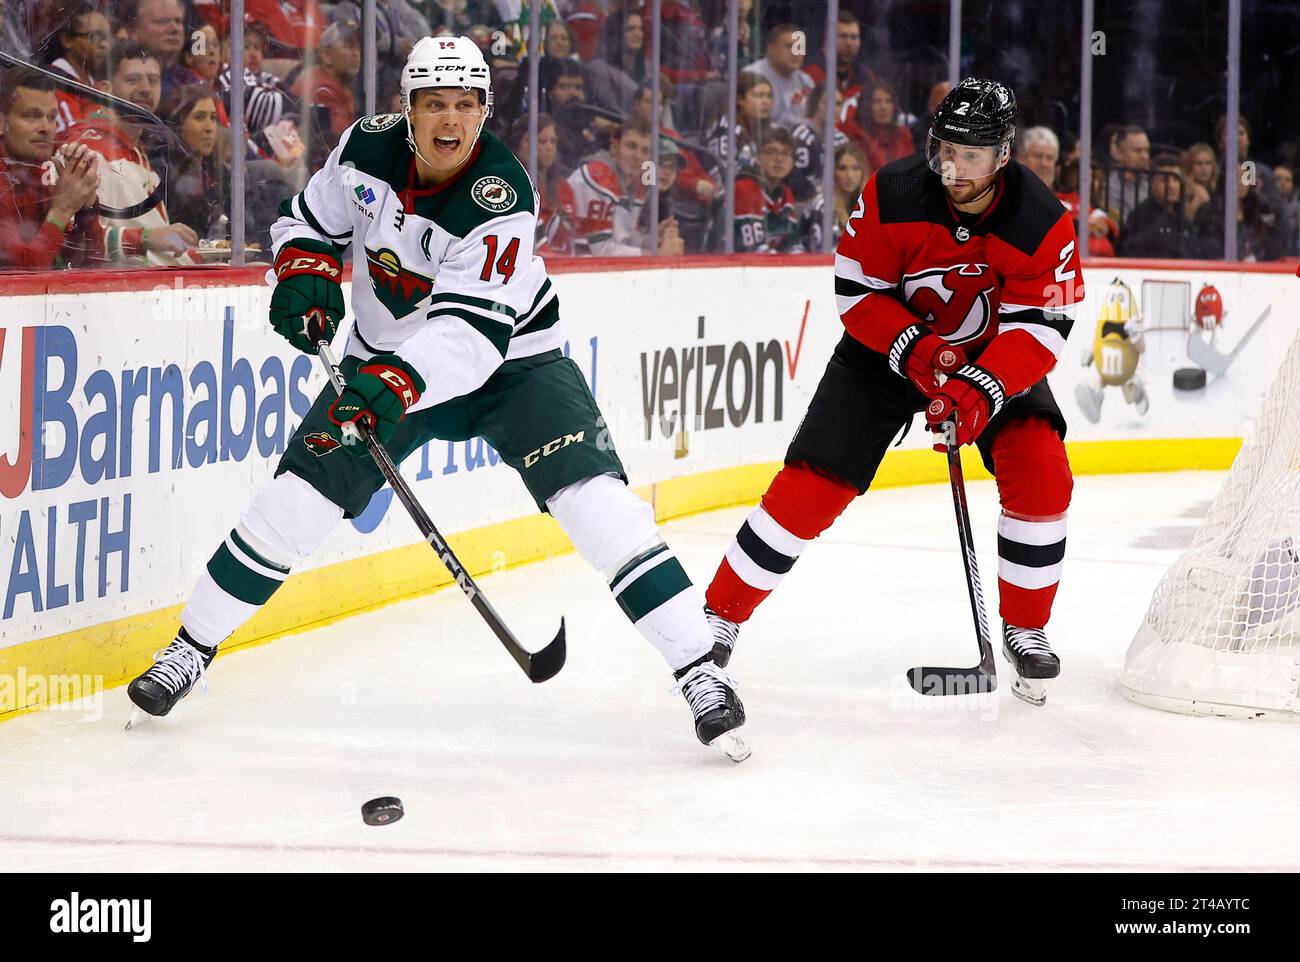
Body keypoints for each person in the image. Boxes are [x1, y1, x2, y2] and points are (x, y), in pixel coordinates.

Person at [124, 36, 746, 757]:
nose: (450, 122)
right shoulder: (366, 149)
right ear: (406, 108)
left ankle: (699, 670)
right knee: (293, 500)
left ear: (483, 111)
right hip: (385, 362)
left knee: (597, 506)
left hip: (515, 366)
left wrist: (391, 381)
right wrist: (303, 269)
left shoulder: (501, 194)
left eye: (465, 105)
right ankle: (189, 651)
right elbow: (308, 222)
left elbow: (470, 339)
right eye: (433, 104)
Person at [703, 78, 1084, 707]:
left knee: (1042, 468)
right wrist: (919, 352)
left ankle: (1024, 626)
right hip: (887, 352)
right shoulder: (893, 192)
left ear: (1005, 155)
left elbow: (1043, 323)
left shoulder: (1043, 220)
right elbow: (857, 293)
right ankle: (717, 617)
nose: (955, 170)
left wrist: (981, 387)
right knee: (812, 484)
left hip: (992, 357)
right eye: (945, 151)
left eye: (974, 156)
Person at [63, 43, 200, 262]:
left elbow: (158, 245)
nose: (146, 88)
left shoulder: (136, 151)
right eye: (133, 79)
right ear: (105, 89)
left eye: (153, 80)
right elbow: (76, 243)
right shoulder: (88, 151)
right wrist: (147, 237)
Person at [0, 66, 104, 268]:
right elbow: (22, 273)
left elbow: (91, 262)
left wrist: (86, 206)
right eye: (31, 115)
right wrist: (62, 209)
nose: (46, 128)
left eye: (51, 117)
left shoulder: (37, 173)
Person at [567, 116, 682, 256]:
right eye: (631, 146)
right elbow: (600, 250)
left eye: (645, 151)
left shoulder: (635, 185)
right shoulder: (598, 176)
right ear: (615, 147)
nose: (637, 156)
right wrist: (655, 255)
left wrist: (653, 240)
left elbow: (624, 241)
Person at [157, 84, 224, 239]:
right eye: (199, 117)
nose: (210, 127)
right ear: (178, 124)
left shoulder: (221, 173)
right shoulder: (160, 171)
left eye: (213, 118)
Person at [510, 112, 577, 255]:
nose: (549, 147)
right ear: (522, 143)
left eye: (553, 141)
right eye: (542, 141)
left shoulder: (563, 187)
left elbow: (575, 240)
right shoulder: (515, 185)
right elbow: (536, 250)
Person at [732, 127, 802, 254]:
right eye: (771, 152)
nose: (779, 159)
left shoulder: (785, 193)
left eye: (786, 153)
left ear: (793, 163)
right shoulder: (744, 187)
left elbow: (793, 244)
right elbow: (753, 249)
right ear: (757, 158)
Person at [1117, 153, 1195, 259]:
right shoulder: (1140, 216)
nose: (1171, 186)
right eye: (1164, 180)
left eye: (1176, 180)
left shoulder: (1183, 219)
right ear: (1152, 183)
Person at [48, 1, 111, 133]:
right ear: (67, 40)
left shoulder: (102, 87)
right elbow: (73, 141)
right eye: (96, 36)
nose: (105, 45)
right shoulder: (52, 84)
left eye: (107, 37)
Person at [742, 22, 813, 131]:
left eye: (800, 47)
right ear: (771, 49)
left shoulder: (805, 81)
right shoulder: (751, 76)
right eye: (789, 46)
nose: (796, 53)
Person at [801, 141, 868, 252]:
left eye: (855, 168)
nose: (849, 175)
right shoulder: (823, 206)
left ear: (863, 172)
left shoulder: (867, 206)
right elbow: (821, 253)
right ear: (832, 171)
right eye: (842, 168)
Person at [705, 71, 771, 171]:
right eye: (759, 95)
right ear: (740, 99)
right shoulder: (724, 129)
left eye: (769, 96)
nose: (766, 101)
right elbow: (722, 173)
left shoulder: (766, 130)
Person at [855, 78, 912, 171]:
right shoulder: (858, 136)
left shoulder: (902, 134)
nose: (883, 107)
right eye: (877, 101)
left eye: (888, 101)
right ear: (866, 105)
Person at [1103, 125, 1149, 223]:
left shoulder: (1152, 183)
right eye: (1138, 151)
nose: (1144, 157)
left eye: (1147, 151)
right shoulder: (1111, 188)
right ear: (1119, 154)